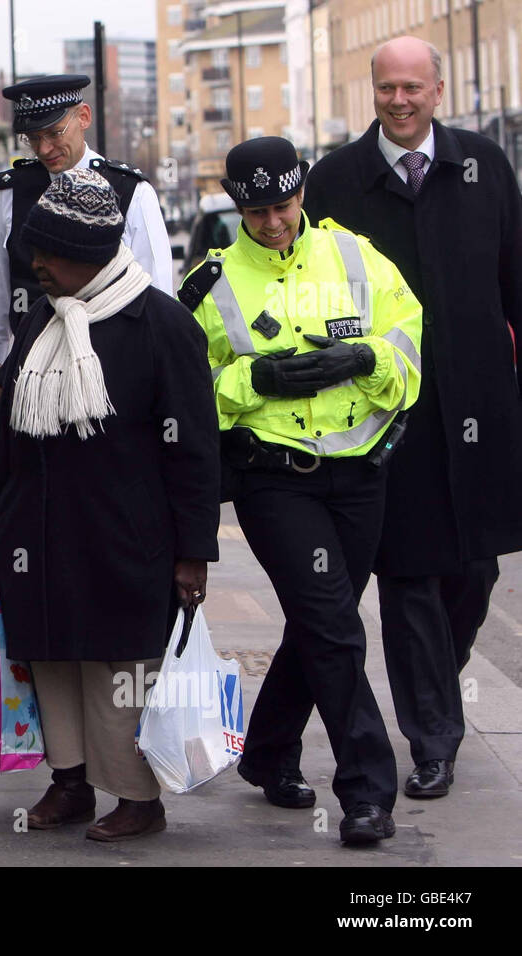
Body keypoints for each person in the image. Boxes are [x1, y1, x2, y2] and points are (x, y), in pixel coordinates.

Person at [181, 136, 423, 845]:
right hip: (274, 480)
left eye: (283, 206)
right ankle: (368, 792)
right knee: (335, 627)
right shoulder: (210, 282)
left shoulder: (356, 256)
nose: (274, 222)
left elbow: (409, 348)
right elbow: (185, 395)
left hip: (361, 472)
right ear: (236, 208)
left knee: (321, 625)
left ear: (302, 193)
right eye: (256, 212)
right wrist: (251, 380)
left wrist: (368, 356)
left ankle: (267, 752)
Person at [303, 36, 522, 801]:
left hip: (483, 409)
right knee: (411, 578)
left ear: (439, 89)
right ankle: (433, 738)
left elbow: (514, 279)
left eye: (413, 88)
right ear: (373, 90)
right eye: (387, 88)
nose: (400, 101)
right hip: (391, 416)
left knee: (477, 569)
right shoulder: (335, 180)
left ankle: (434, 689)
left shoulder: (484, 165)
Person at [0, 168, 220, 842]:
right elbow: (7, 435)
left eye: (48, 253)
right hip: (39, 530)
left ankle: (139, 799)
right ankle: (69, 782)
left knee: (120, 668)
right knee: (51, 657)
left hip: (126, 536)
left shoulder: (161, 324)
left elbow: (195, 449)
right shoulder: (41, 318)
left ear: (89, 254)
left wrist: (194, 553)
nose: (36, 265)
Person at [0, 74, 172, 405]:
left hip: (111, 360)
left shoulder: (131, 190)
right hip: (31, 360)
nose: (44, 149)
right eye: (33, 138)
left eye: (54, 133)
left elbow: (157, 287)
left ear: (83, 117)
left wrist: (158, 364)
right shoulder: (11, 191)